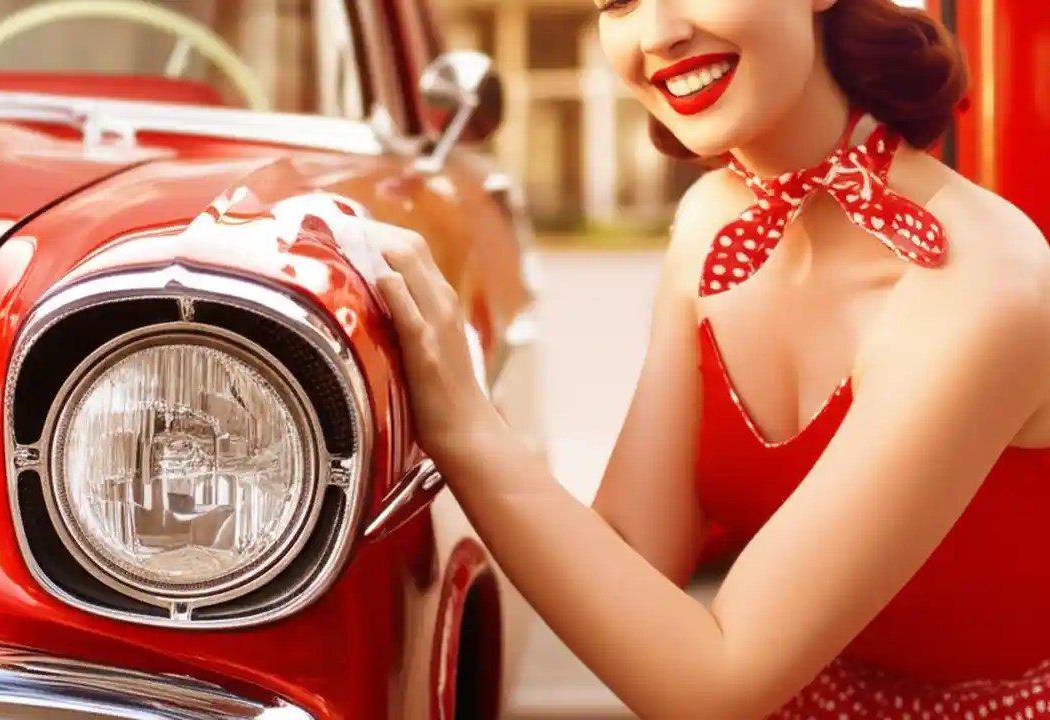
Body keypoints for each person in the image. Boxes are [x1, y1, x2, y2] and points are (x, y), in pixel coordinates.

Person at [368, 0, 1050, 717]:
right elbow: (633, 557)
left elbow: (715, 686)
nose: (658, 33)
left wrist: (468, 430)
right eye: (618, 2)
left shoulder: (985, 282)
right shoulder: (711, 222)